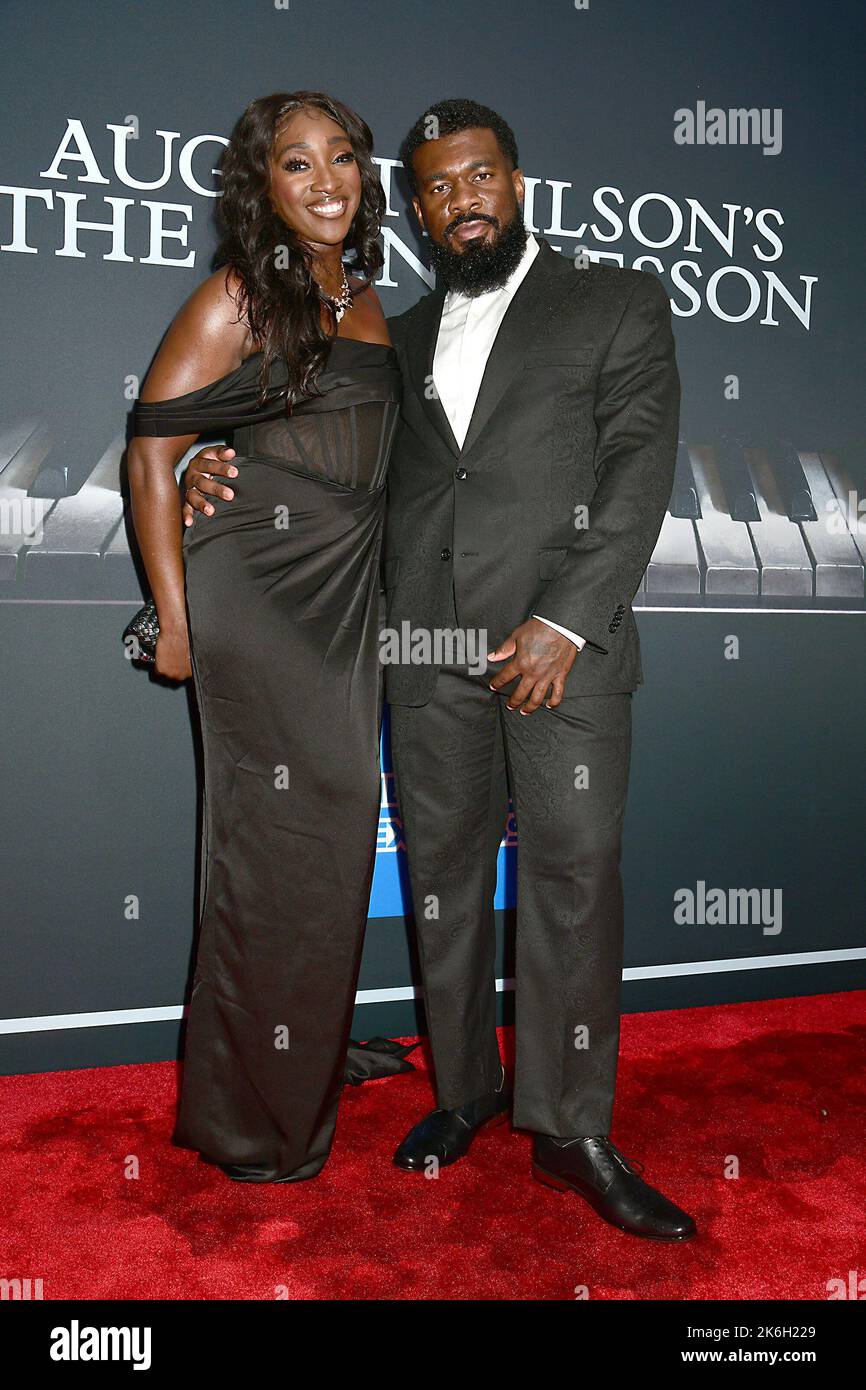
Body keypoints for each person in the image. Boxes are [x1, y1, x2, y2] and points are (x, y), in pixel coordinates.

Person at [183, 98, 696, 1238]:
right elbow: (301, 440)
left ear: (515, 182)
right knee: (442, 882)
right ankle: (464, 1090)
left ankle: (569, 1130)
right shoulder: (393, 335)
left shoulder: (611, 300)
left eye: (477, 177)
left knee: (570, 879)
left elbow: (634, 468)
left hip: (562, 648)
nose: (457, 200)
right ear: (414, 208)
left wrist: (565, 619)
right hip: (424, 649)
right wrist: (205, 466)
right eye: (434, 187)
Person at [127, 91, 401, 1183]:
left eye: (342, 158)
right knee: (270, 850)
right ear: (264, 186)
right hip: (258, 597)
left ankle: (303, 1052)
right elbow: (151, 450)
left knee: (331, 832)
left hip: (344, 598)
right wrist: (177, 623)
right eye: (298, 164)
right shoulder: (238, 292)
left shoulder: (367, 294)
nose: (327, 180)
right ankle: (248, 1119)